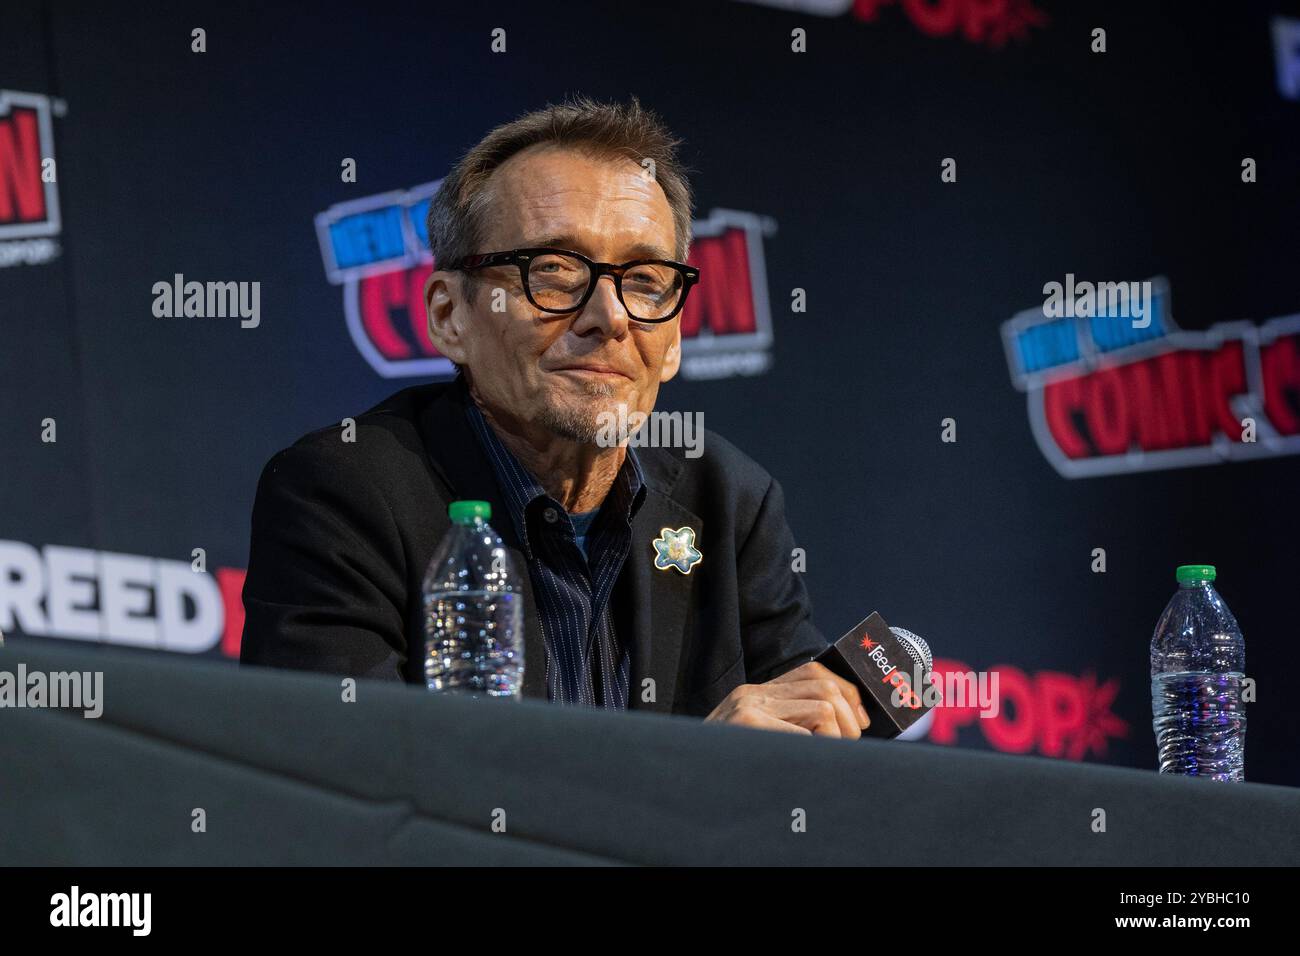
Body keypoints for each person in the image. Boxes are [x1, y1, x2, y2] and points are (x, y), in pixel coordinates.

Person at [240, 97, 869, 737]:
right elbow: (346, 783)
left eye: (647, 280)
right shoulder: (342, 494)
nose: (612, 317)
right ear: (448, 316)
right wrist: (693, 772)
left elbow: (804, 772)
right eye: (556, 272)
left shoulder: (731, 503)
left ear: (675, 336)